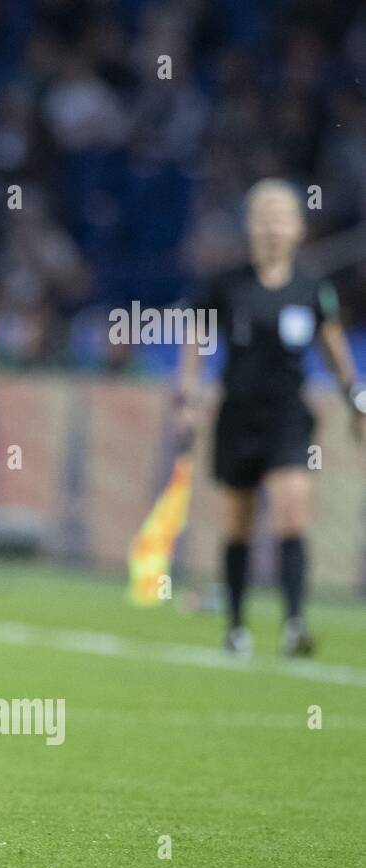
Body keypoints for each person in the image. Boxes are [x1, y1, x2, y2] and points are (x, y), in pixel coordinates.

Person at [178, 178, 363, 657]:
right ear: (250, 225)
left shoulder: (313, 287)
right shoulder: (228, 283)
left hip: (288, 415)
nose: (273, 226)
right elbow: (197, 335)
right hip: (238, 413)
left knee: (291, 506)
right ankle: (237, 626)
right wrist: (188, 394)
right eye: (264, 216)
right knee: (238, 522)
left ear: (300, 227)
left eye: (282, 216)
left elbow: (335, 347)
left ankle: (294, 623)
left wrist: (356, 398)